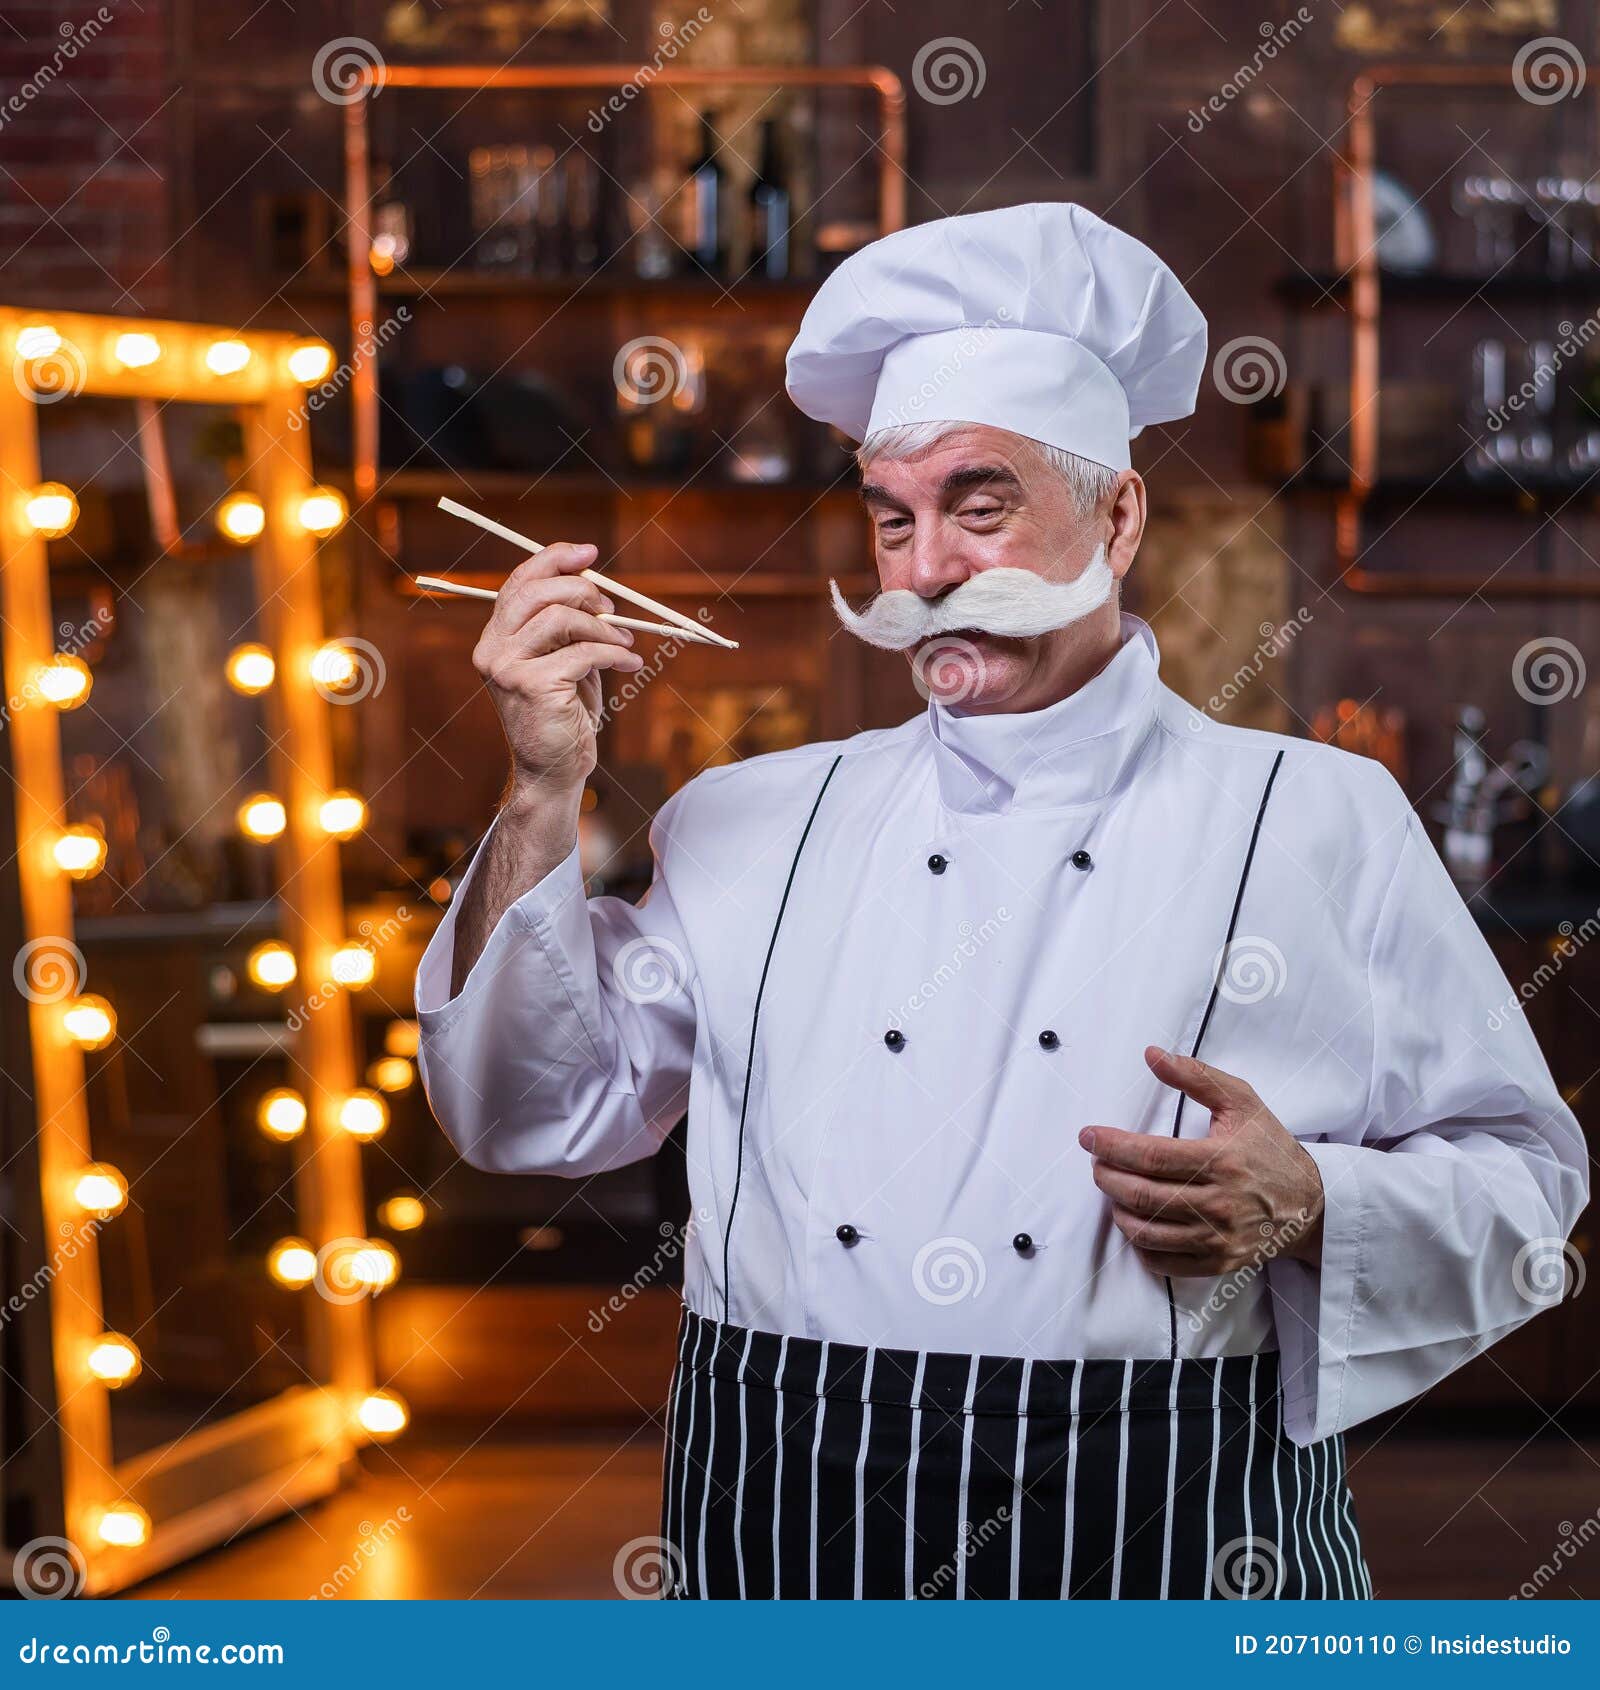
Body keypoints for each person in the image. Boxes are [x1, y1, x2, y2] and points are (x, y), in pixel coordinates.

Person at [415, 202, 1588, 1600]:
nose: (923, 574)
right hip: (786, 1500)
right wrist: (542, 790)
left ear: (1120, 512)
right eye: (893, 519)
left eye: (981, 506)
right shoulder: (744, 820)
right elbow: (517, 1106)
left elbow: (1530, 1196)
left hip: (1171, 1511)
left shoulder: (1317, 816)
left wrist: (1319, 1197)